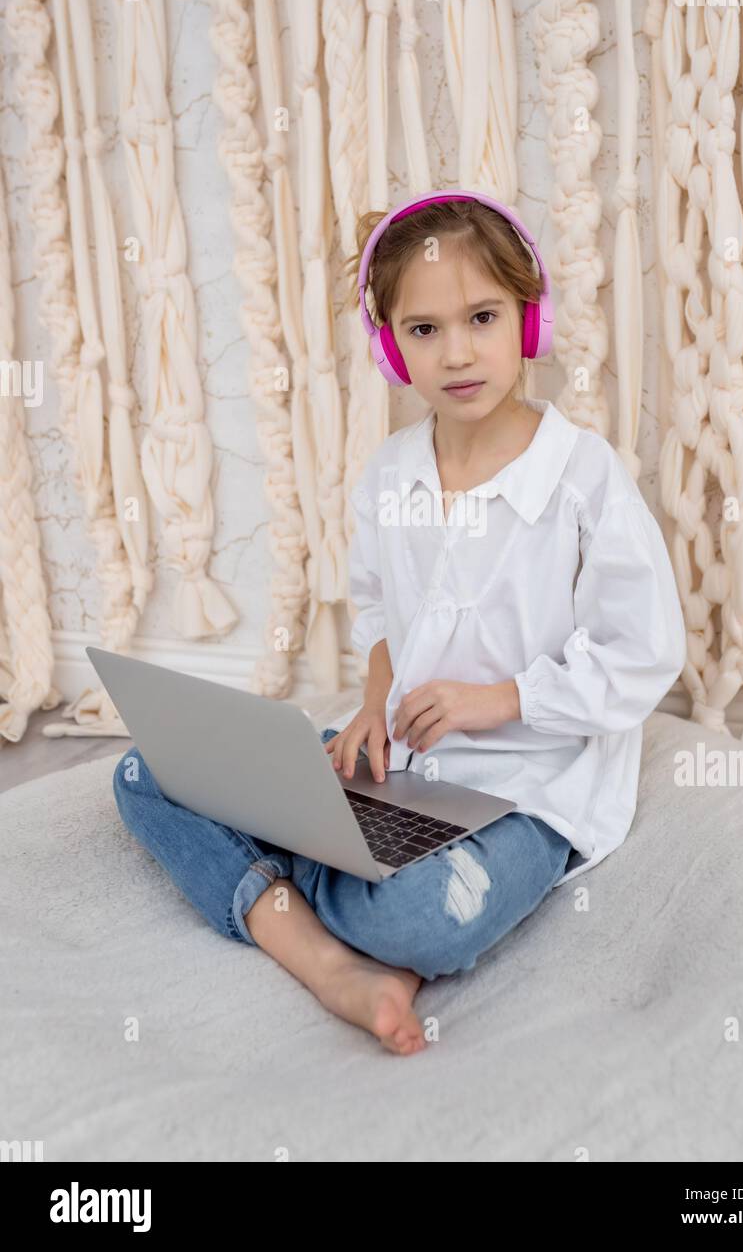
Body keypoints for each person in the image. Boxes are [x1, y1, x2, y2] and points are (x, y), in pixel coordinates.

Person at [113, 191, 686, 1058]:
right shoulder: (390, 474)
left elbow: (643, 654)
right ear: (389, 348)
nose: (456, 352)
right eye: (423, 330)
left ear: (529, 322)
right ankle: (332, 951)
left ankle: (306, 907)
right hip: (403, 767)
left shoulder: (582, 477)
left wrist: (495, 699)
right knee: (141, 771)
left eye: (482, 317)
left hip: (526, 788)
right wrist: (377, 702)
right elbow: (380, 604)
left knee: (429, 918)